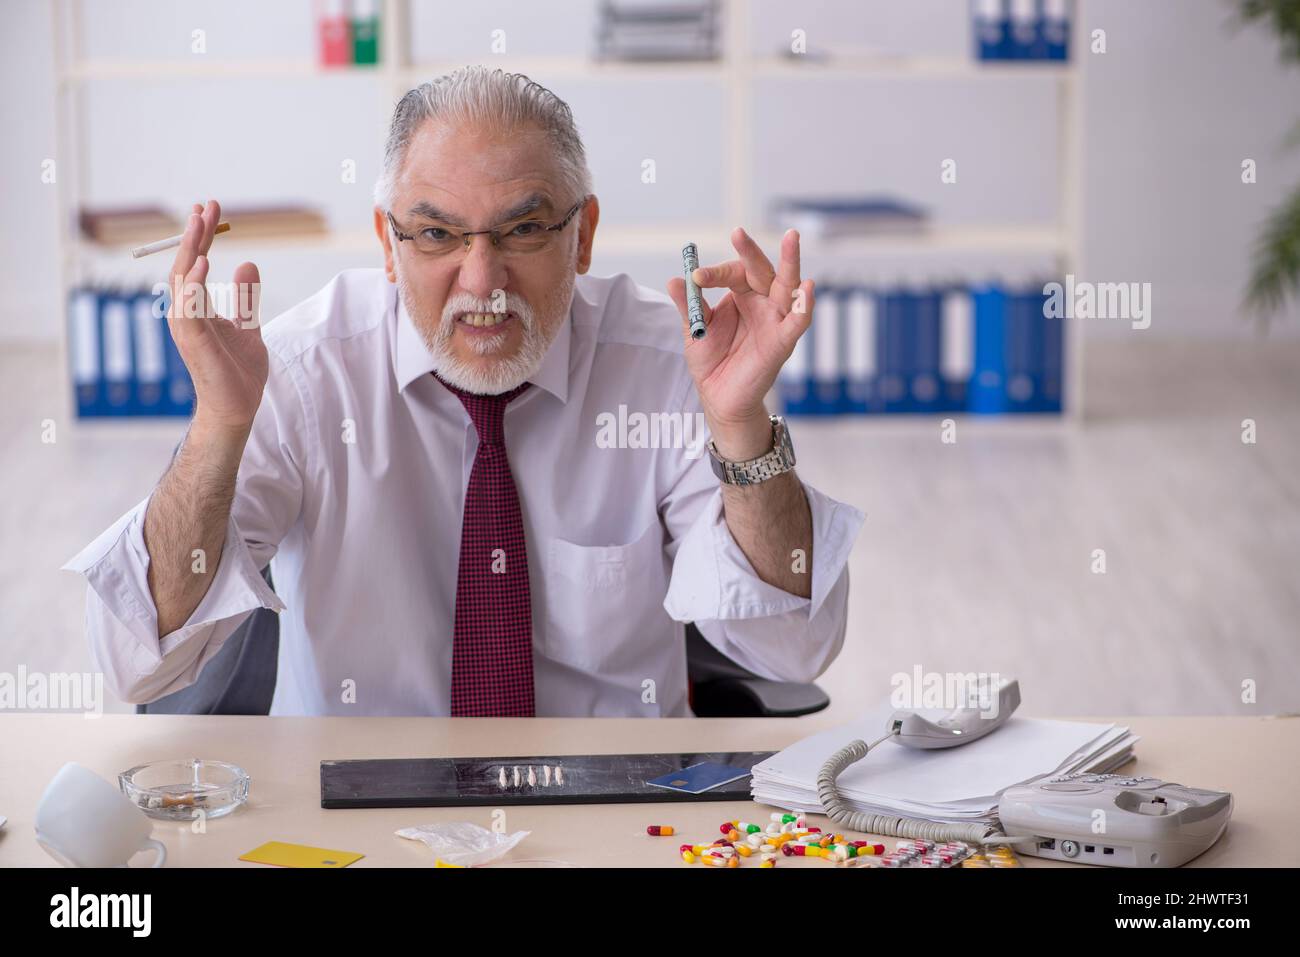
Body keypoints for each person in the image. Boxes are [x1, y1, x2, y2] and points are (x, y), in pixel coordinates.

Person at [64, 66, 865, 717]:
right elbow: (140, 661)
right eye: (438, 233)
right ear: (388, 242)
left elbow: (791, 648)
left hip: (613, 802)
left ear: (582, 237)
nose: (481, 281)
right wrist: (219, 427)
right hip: (352, 811)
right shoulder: (305, 372)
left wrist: (740, 426)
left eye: (523, 229)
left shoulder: (665, 366)